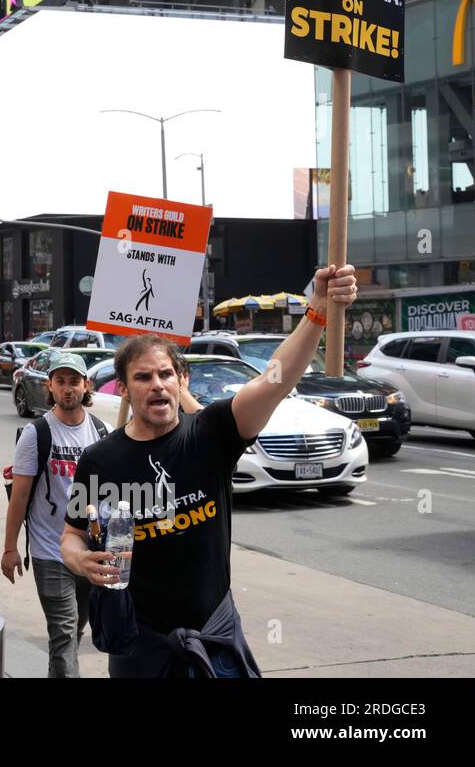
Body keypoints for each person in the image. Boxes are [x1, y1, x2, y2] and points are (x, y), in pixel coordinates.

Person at [60, 264, 358, 678]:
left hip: (215, 642)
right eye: (143, 377)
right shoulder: (100, 460)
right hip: (141, 649)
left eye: (165, 374)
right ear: (124, 389)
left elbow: (274, 380)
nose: (157, 384)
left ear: (180, 380)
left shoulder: (212, 434)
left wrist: (317, 311)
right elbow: (71, 536)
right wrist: (83, 563)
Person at [2, 351, 109, 677]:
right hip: (50, 550)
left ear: (86, 385)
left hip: (90, 552)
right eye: (60, 381)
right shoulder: (37, 434)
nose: (67, 388)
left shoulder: (101, 432)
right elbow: (19, 496)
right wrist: (10, 548)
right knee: (63, 633)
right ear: (50, 385)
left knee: (71, 634)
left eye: (74, 381)